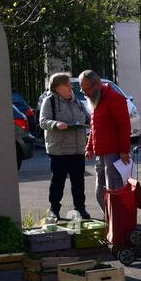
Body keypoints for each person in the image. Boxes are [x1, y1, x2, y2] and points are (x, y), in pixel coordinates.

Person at [39, 73, 92, 222]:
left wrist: (91, 121)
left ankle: (80, 208)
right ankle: (54, 209)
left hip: (77, 148)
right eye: (67, 84)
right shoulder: (49, 101)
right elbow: (43, 121)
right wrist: (55, 124)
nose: (71, 86)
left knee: (78, 182)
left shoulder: (77, 101)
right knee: (58, 181)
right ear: (58, 87)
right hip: (59, 150)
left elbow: (87, 117)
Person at [80, 70, 132, 216]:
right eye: (82, 90)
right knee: (100, 192)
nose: (84, 94)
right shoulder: (96, 100)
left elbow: (124, 126)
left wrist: (123, 150)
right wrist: (89, 147)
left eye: (86, 90)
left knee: (114, 190)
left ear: (96, 85)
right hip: (100, 153)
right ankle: (112, 219)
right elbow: (94, 126)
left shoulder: (114, 98)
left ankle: (118, 221)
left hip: (114, 154)